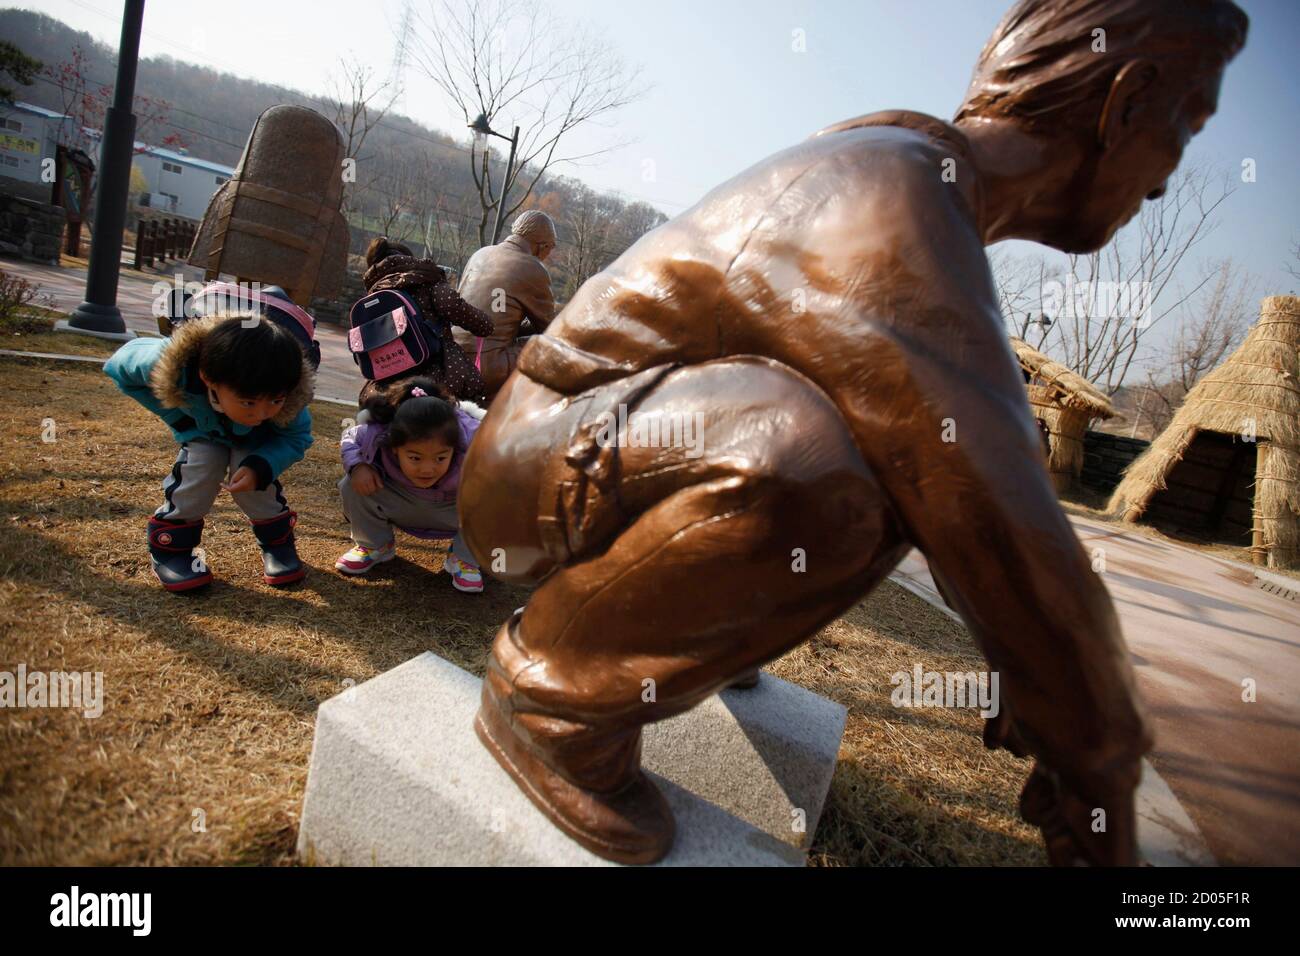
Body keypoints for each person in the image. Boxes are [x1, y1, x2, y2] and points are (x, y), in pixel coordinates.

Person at [456, 0, 1248, 865]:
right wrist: (1098, 749)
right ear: (1126, 102)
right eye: (1186, 124)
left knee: (877, 454)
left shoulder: (917, 185)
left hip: (598, 451)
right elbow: (987, 491)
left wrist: (1038, 659)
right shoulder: (886, 194)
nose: (1169, 177)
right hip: (526, 470)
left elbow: (975, 490)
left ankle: (659, 624)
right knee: (818, 465)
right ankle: (549, 696)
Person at [104, 297, 316, 591]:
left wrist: (262, 465)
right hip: (205, 432)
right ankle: (171, 548)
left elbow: (297, 438)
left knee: (251, 467)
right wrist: (181, 420)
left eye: (274, 401)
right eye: (248, 402)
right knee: (202, 463)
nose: (262, 413)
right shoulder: (175, 366)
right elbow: (119, 368)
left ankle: (278, 543)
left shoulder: (290, 398)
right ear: (208, 380)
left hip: (255, 443)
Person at [336, 376, 484, 593]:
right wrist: (358, 466)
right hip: (399, 498)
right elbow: (349, 437)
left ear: (455, 447)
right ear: (394, 447)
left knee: (496, 501)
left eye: (440, 458)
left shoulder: (476, 439)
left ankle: (463, 558)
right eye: (415, 457)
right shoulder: (380, 431)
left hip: (454, 507)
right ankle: (375, 545)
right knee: (351, 483)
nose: (427, 469)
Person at [357, 237, 495, 405]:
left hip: (386, 381)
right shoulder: (424, 279)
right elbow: (451, 305)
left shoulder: (373, 292)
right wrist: (485, 325)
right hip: (436, 373)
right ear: (407, 257)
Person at [454, 210, 558, 400]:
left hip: (452, 356)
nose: (549, 254)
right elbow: (551, 329)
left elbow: (496, 316)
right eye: (551, 247)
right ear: (542, 246)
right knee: (552, 346)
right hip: (488, 366)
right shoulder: (533, 268)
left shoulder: (480, 254)